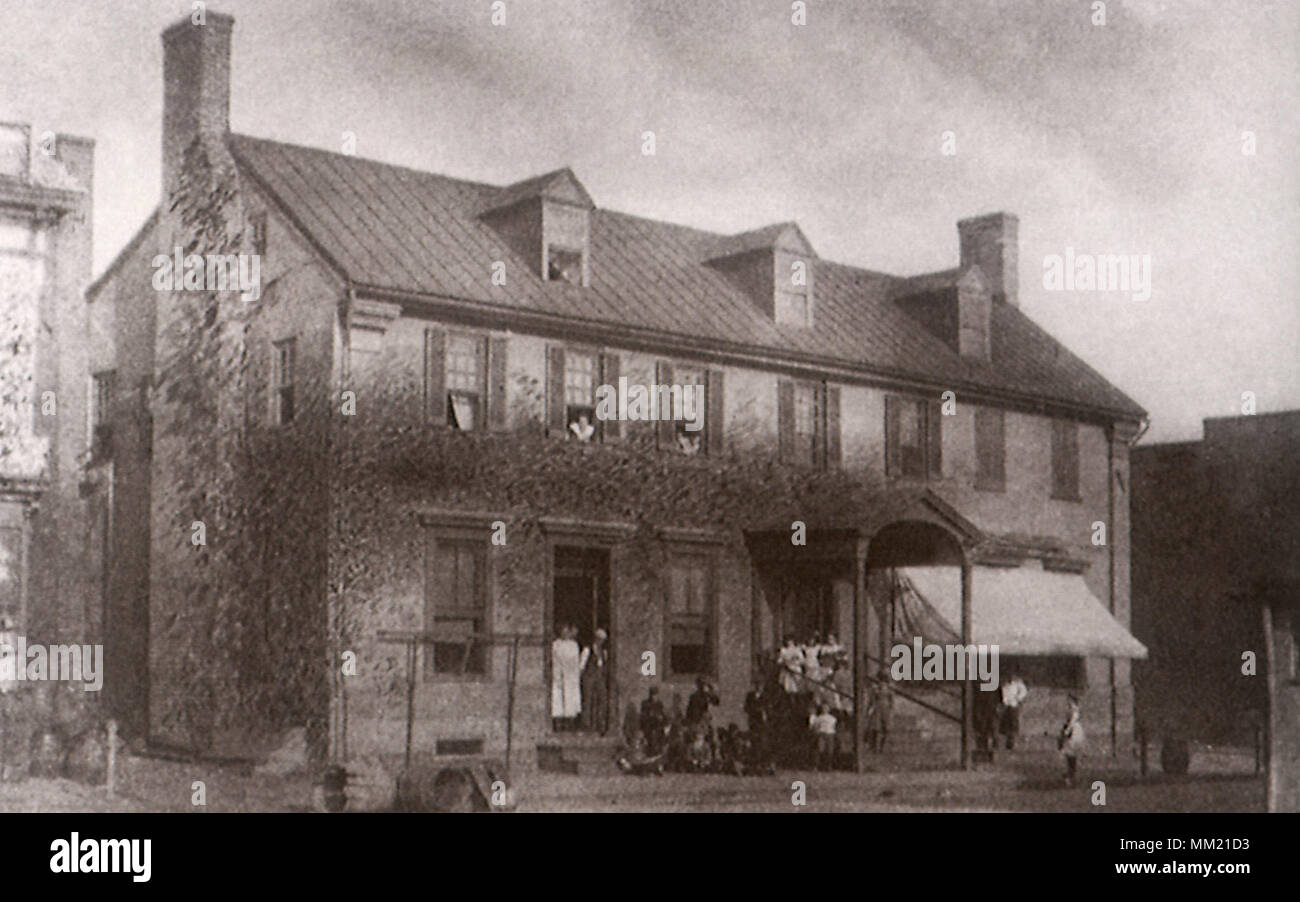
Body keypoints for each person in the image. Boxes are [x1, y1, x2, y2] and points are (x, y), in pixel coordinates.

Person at [550, 623, 582, 731]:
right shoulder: (556, 644)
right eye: (563, 631)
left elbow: (575, 661)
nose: (565, 633)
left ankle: (569, 723)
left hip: (570, 675)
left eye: (567, 631)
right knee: (558, 697)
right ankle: (558, 722)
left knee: (570, 697)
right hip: (558, 673)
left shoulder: (573, 645)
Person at [580, 627, 610, 734]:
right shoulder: (588, 650)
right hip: (589, 677)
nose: (601, 642)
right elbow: (581, 666)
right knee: (588, 700)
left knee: (602, 699)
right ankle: (587, 725)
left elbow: (604, 664)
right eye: (599, 639)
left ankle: (600, 724)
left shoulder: (604, 652)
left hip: (600, 677)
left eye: (602, 640)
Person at [1058, 695, 1085, 786]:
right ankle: (1070, 774)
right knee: (1070, 753)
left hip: (1074, 732)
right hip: (1073, 731)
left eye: (1070, 702)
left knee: (1071, 752)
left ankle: (1071, 775)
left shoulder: (1074, 712)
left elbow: (1072, 722)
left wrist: (1066, 732)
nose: (1069, 704)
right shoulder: (1072, 711)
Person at [999, 670, 1028, 750]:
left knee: (1013, 724)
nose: (1010, 677)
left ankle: (1012, 740)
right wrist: (1004, 701)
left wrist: (1017, 699)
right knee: (1005, 724)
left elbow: (1023, 692)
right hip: (1006, 706)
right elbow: (1003, 693)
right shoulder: (1004, 684)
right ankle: (1005, 740)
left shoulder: (1018, 684)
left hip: (1014, 705)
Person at [868, 669, 894, 753]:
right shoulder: (875, 688)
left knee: (885, 728)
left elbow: (891, 700)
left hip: (885, 708)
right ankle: (875, 747)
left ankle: (882, 747)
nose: (882, 682)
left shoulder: (889, 688)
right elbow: (872, 700)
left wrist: (891, 709)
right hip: (878, 707)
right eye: (881, 680)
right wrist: (870, 708)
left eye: (884, 680)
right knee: (876, 727)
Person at [639, 687, 669, 756]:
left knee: (660, 742)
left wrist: (663, 721)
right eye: (652, 695)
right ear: (650, 695)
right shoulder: (645, 703)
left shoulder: (659, 704)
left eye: (655, 695)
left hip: (658, 727)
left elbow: (663, 715)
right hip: (649, 727)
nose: (654, 697)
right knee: (651, 743)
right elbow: (643, 716)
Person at [809, 704, 837, 771]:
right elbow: (815, 726)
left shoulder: (832, 718)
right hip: (821, 734)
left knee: (830, 751)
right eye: (823, 708)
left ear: (829, 709)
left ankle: (828, 766)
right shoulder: (819, 718)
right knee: (819, 750)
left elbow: (833, 726)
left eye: (826, 708)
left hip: (830, 734)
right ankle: (816, 766)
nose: (825, 709)